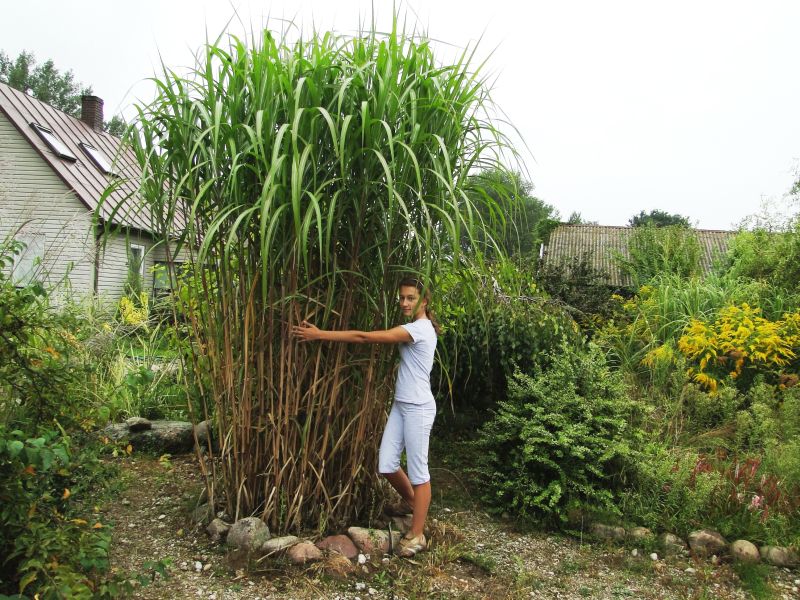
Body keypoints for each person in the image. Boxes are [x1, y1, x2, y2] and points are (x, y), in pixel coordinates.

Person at [291, 277, 439, 557]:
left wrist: (321, 334)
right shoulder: (416, 327)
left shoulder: (419, 329)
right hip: (401, 404)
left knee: (420, 472)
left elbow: (365, 338)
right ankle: (414, 505)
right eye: (402, 298)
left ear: (424, 301)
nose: (404, 303)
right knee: (386, 464)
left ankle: (417, 534)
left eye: (411, 298)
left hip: (418, 407)